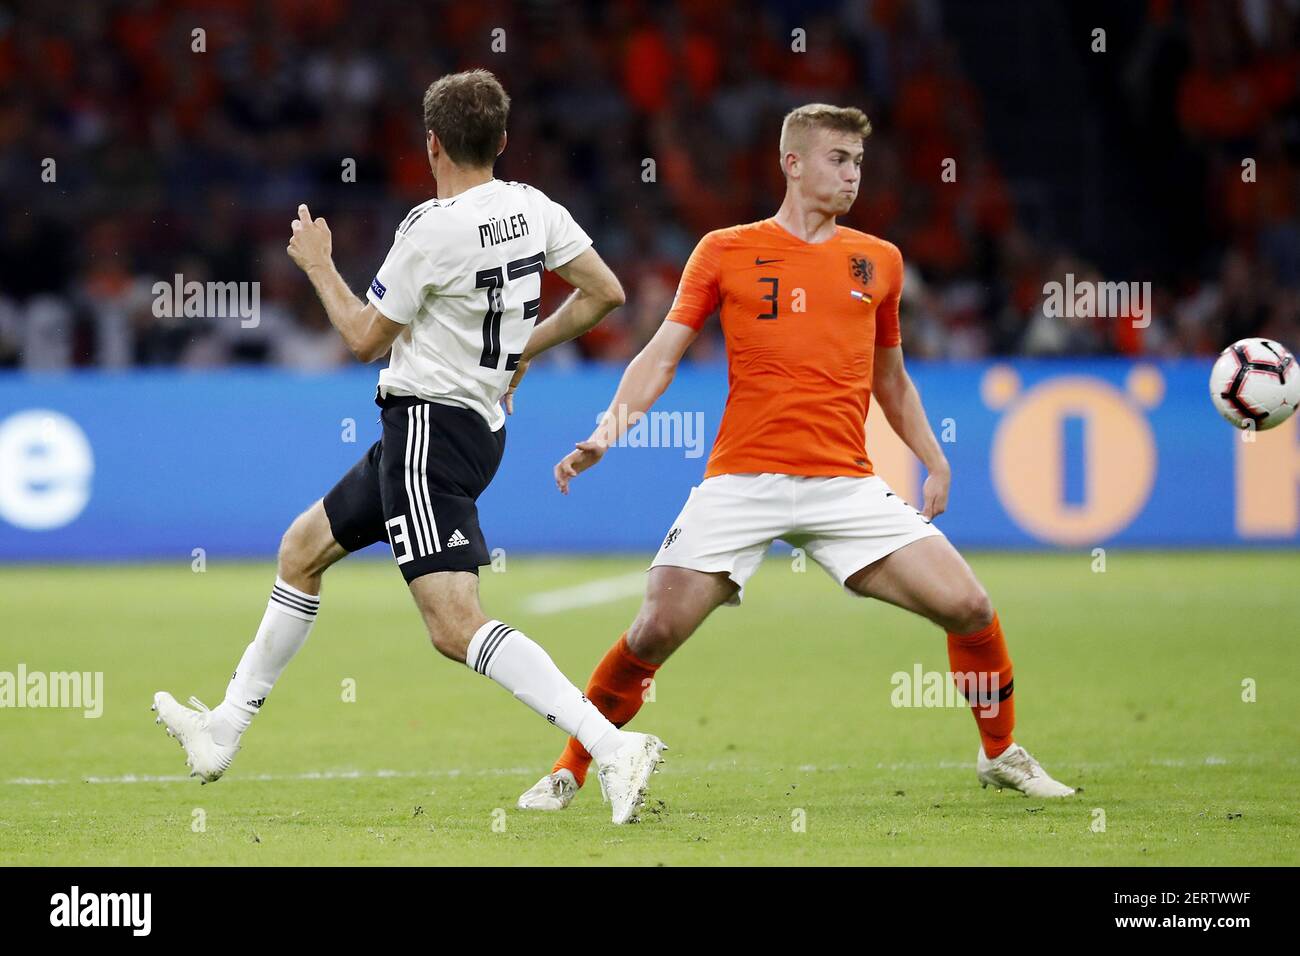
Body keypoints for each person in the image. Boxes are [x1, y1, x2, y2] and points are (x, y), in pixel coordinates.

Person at [518, 103, 1073, 812]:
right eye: (839, 159)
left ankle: (1001, 754)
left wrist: (934, 459)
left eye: (858, 162)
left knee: (968, 605)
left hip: (844, 486)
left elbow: (891, 379)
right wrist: (609, 429)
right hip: (741, 482)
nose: (852, 175)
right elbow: (662, 353)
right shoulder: (725, 250)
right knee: (655, 627)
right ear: (793, 163)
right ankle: (571, 767)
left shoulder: (880, 262)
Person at [152, 69, 666, 825]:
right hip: (469, 428)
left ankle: (614, 747)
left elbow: (364, 338)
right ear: (501, 140)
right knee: (302, 549)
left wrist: (319, 264)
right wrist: (525, 350)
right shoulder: (533, 208)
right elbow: (605, 293)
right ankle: (223, 728)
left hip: (428, 431)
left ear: (431, 144)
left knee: (454, 624)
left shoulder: (430, 230)